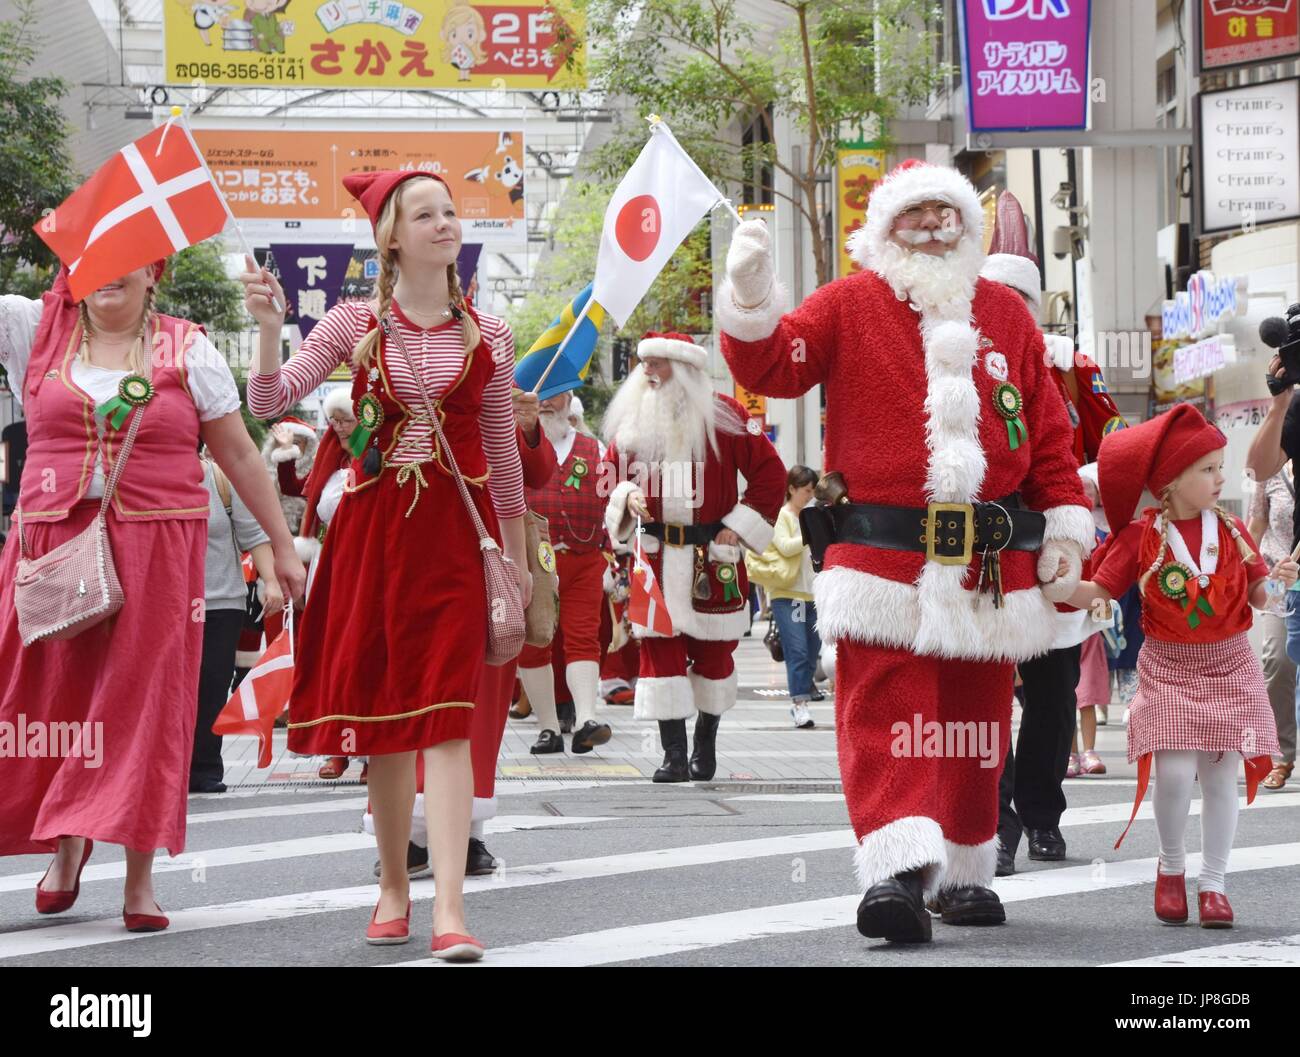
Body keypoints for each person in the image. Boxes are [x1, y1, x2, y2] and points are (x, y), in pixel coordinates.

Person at [717, 160, 1092, 942]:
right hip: (881, 556)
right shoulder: (850, 302)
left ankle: (960, 870)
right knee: (884, 713)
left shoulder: (1006, 316)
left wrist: (1063, 528)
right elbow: (773, 366)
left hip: (989, 565)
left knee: (971, 719)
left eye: (944, 210)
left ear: (966, 223)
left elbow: (1052, 437)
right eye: (913, 212)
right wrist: (750, 296)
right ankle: (893, 869)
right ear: (885, 227)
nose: (930, 223)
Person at [244, 169, 530, 962]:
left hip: (455, 542)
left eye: (451, 211)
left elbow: (502, 452)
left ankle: (449, 907)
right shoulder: (351, 324)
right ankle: (393, 887)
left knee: (446, 714)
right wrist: (269, 327)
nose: (446, 224)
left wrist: (517, 557)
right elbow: (269, 402)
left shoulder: (491, 334)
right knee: (388, 724)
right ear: (392, 238)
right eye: (426, 214)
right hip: (373, 542)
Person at [0, 261, 305, 932]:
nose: (106, 271)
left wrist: (281, 545)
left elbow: (242, 455)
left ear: (153, 275)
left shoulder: (187, 346)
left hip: (156, 551)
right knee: (46, 699)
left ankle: (140, 877)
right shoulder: (33, 326)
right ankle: (65, 842)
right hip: (50, 546)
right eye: (91, 258)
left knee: (146, 704)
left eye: (124, 258)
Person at [1070, 403, 1285, 928]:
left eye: (1219, 466)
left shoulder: (1233, 530)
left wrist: (1282, 579)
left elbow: (1262, 596)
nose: (1220, 477)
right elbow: (1098, 590)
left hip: (1230, 663)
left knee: (1219, 777)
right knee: (1170, 775)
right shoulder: (1138, 537)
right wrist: (1055, 583)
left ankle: (1214, 884)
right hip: (1168, 666)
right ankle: (1171, 866)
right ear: (1170, 480)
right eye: (1207, 468)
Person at [980, 191, 1126, 874]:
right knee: (980, 690)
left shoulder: (1072, 364)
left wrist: (1083, 482)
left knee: (1052, 689)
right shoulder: (963, 357)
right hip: (984, 550)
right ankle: (994, 819)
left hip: (1059, 546)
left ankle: (1040, 812)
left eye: (1019, 299)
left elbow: (1116, 446)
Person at [602, 332, 786, 783]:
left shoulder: (727, 419)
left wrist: (738, 527)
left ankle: (706, 742)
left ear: (683, 370)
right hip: (656, 557)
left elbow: (770, 474)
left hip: (713, 556)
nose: (648, 372)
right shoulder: (630, 427)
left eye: (658, 364)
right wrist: (627, 498)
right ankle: (673, 755)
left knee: (715, 656)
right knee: (659, 655)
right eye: (645, 364)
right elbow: (607, 482)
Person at [515, 388, 613, 754]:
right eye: (540, 394)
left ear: (570, 401)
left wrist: (612, 549)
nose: (546, 402)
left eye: (556, 395)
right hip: (532, 558)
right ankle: (548, 728)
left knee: (584, 636)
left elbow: (612, 498)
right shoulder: (511, 444)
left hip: (583, 555)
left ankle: (587, 719)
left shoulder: (595, 448)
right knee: (535, 641)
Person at [192, 449, 283, 793]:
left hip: (221, 602)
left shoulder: (220, 479)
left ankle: (203, 768)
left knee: (212, 685)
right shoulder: (145, 475)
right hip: (165, 604)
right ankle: (165, 766)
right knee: (169, 688)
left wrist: (271, 581)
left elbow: (253, 533)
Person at [1246, 465, 1297, 789]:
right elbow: (1256, 524)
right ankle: (1282, 754)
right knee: (1276, 659)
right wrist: (1242, 572)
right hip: (1278, 584)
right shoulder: (1272, 471)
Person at [760, 465, 822, 729]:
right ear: (792, 489)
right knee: (797, 650)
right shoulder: (783, 515)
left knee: (812, 651)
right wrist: (810, 534)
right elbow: (785, 547)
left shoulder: (809, 516)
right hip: (787, 595)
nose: (809, 495)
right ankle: (799, 705)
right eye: (806, 490)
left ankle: (803, 699)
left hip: (812, 594)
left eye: (812, 491)